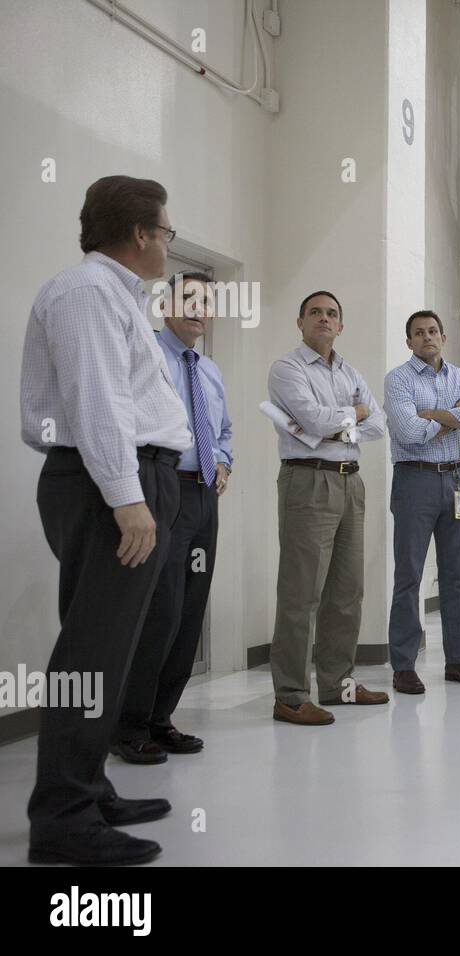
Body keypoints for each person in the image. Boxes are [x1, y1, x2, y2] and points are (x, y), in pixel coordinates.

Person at [20, 174, 190, 865]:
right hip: (108, 485)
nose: (170, 246)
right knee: (90, 652)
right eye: (168, 233)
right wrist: (128, 498)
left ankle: (87, 787)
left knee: (109, 646)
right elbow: (99, 406)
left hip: (122, 479)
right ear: (142, 234)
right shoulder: (89, 293)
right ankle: (61, 816)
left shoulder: (117, 298)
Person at [112, 273, 233, 764]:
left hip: (204, 497)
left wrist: (224, 459)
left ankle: (162, 719)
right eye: (189, 298)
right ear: (164, 306)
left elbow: (223, 430)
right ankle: (130, 725)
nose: (198, 308)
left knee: (189, 613)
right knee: (158, 612)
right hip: (160, 491)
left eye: (206, 301)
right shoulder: (145, 354)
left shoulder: (210, 371)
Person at [267, 291, 389, 724]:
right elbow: (315, 422)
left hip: (350, 482)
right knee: (301, 593)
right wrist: (348, 416)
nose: (324, 318)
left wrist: (337, 424)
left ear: (341, 325)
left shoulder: (350, 372)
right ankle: (291, 695)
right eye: (315, 312)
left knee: (347, 591)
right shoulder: (287, 369)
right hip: (308, 481)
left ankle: (338, 685)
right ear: (300, 321)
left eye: (332, 313)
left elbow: (377, 423)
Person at [385, 310, 460, 689]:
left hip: (458, 480)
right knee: (409, 575)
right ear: (409, 341)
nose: (427, 337)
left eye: (433, 331)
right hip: (415, 480)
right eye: (419, 333)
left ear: (443, 337)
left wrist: (434, 415)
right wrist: (455, 417)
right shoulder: (398, 379)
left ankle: (458, 661)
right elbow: (409, 432)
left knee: (455, 578)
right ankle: (403, 664)